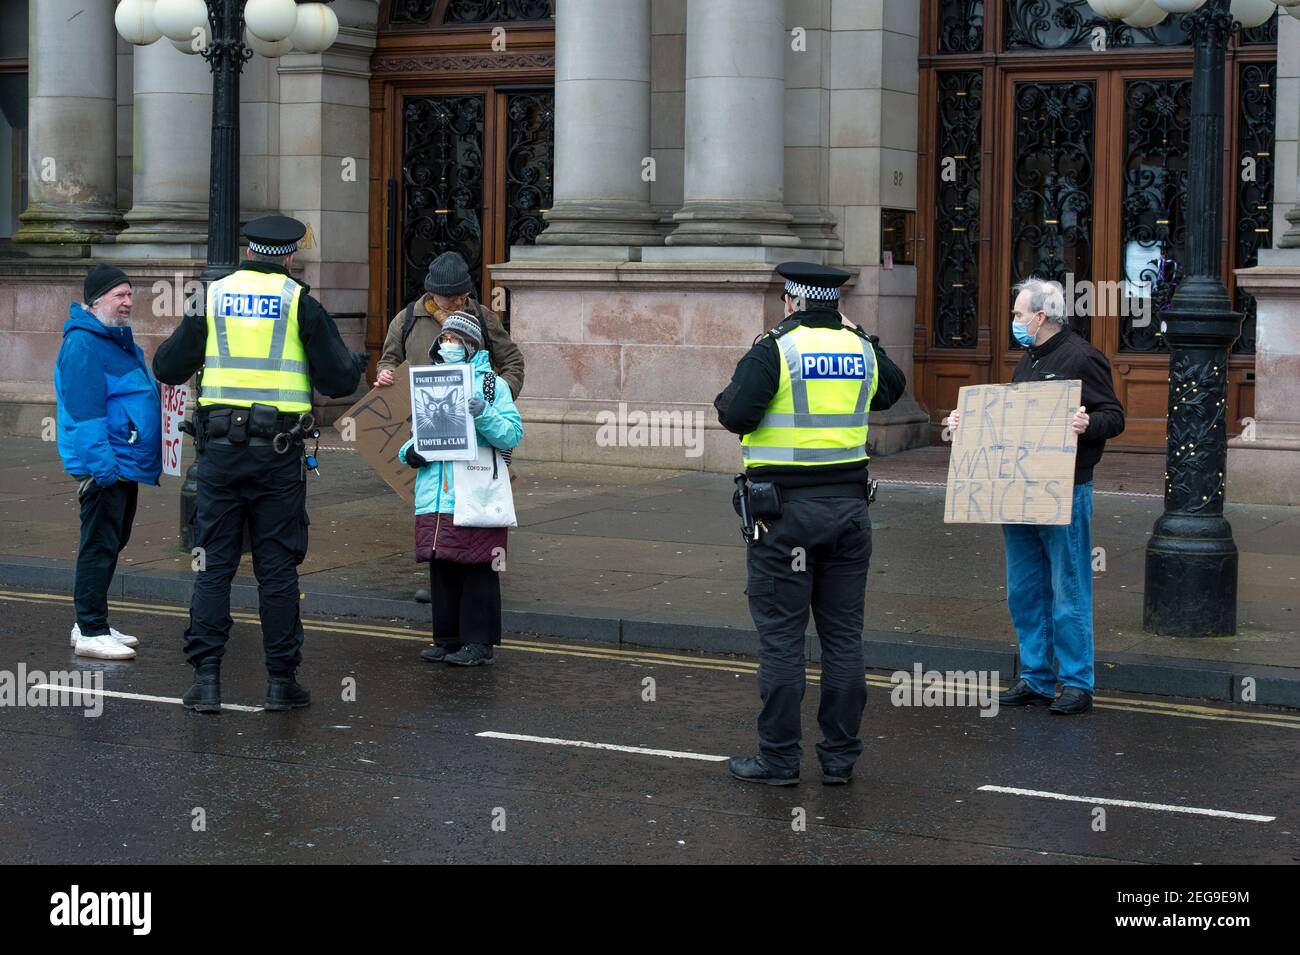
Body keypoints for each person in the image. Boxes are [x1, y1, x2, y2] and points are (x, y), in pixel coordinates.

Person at [152, 215, 361, 713]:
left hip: (220, 455)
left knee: (213, 567)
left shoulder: (212, 297)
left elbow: (166, 366)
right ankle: (279, 681)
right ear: (289, 255)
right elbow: (339, 382)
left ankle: (206, 680)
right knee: (277, 570)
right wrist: (350, 361)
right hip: (277, 457)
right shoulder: (299, 303)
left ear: (247, 249)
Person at [714, 262, 906, 786]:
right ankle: (840, 761)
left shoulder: (775, 348)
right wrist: (858, 332)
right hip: (848, 512)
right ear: (835, 303)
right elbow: (893, 389)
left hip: (784, 517)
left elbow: (733, 415)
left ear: (793, 300)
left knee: (782, 642)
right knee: (844, 639)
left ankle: (779, 762)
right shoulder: (861, 347)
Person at [946, 277, 1125, 716]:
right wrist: (967, 424)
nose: (1014, 321)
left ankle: (1077, 682)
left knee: (1068, 588)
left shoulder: (1083, 357)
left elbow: (1114, 416)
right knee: (1025, 589)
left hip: (1065, 488)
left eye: (1018, 314)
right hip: (1019, 489)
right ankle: (1036, 678)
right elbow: (1016, 423)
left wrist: (1090, 425)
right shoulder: (1030, 358)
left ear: (1040, 317)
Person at [373, 250, 525, 605]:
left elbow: (512, 360)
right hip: (427, 428)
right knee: (434, 506)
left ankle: (469, 576)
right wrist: (385, 374)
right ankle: (440, 570)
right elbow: (389, 360)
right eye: (450, 296)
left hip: (475, 431)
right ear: (431, 292)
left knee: (472, 506)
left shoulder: (482, 317)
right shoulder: (406, 319)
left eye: (463, 295)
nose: (458, 301)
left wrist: (495, 397)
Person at [397, 313, 523, 666]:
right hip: (436, 492)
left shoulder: (491, 386)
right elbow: (410, 441)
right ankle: (448, 639)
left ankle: (478, 643)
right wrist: (413, 452)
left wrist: (482, 412)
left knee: (479, 566)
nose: (448, 345)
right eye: (445, 338)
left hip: (475, 488)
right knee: (443, 565)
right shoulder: (432, 382)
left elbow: (512, 434)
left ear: (471, 346)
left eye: (456, 339)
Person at [54, 265, 161, 661]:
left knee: (112, 541)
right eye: (119, 295)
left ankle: (89, 620)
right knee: (99, 545)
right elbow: (85, 416)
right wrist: (103, 469)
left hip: (122, 461)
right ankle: (91, 629)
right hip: (108, 463)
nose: (128, 302)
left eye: (130, 294)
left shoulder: (111, 339)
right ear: (95, 300)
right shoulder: (84, 345)